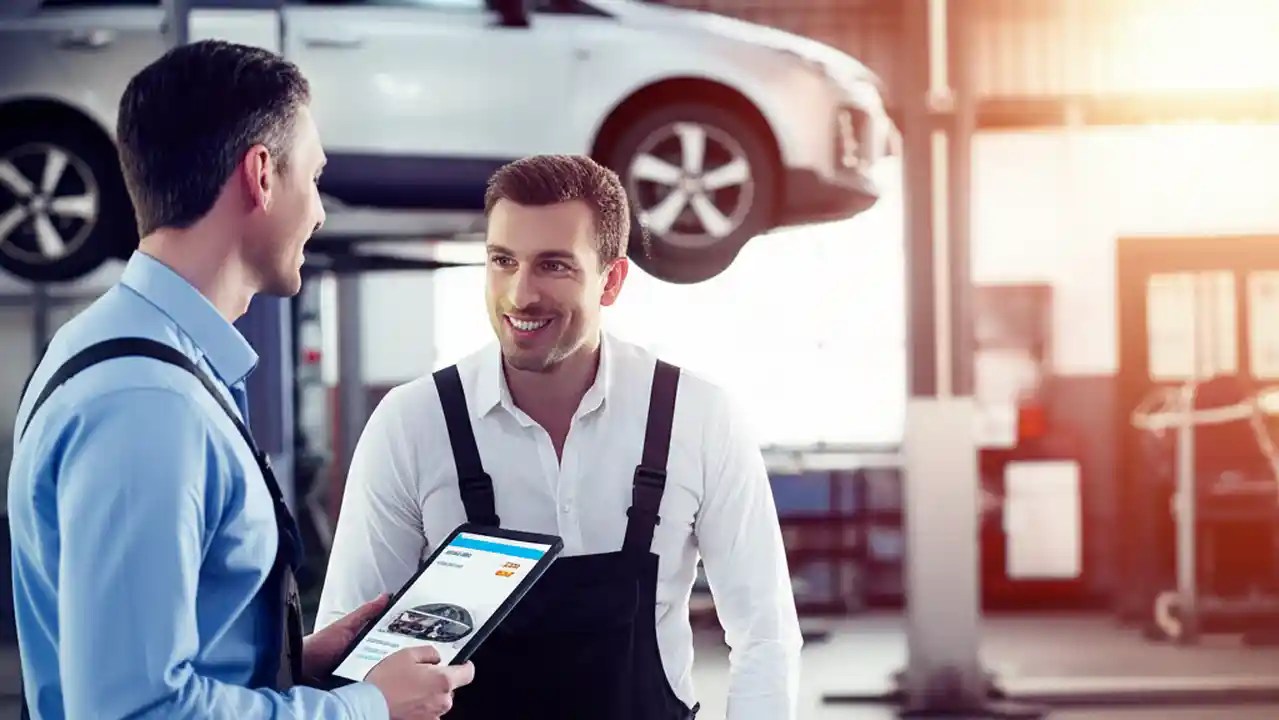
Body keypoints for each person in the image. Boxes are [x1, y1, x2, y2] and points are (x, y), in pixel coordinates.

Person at [7, 40, 472, 719]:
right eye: (312, 179)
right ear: (260, 174)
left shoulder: (120, 349)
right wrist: (366, 709)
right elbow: (132, 710)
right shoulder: (148, 405)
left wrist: (288, 657)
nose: (318, 212)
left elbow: (162, 647)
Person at [316, 154, 802, 719]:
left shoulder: (697, 418)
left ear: (612, 281)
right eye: (502, 260)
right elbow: (350, 645)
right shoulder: (412, 424)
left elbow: (765, 635)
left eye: (554, 265)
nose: (520, 294)